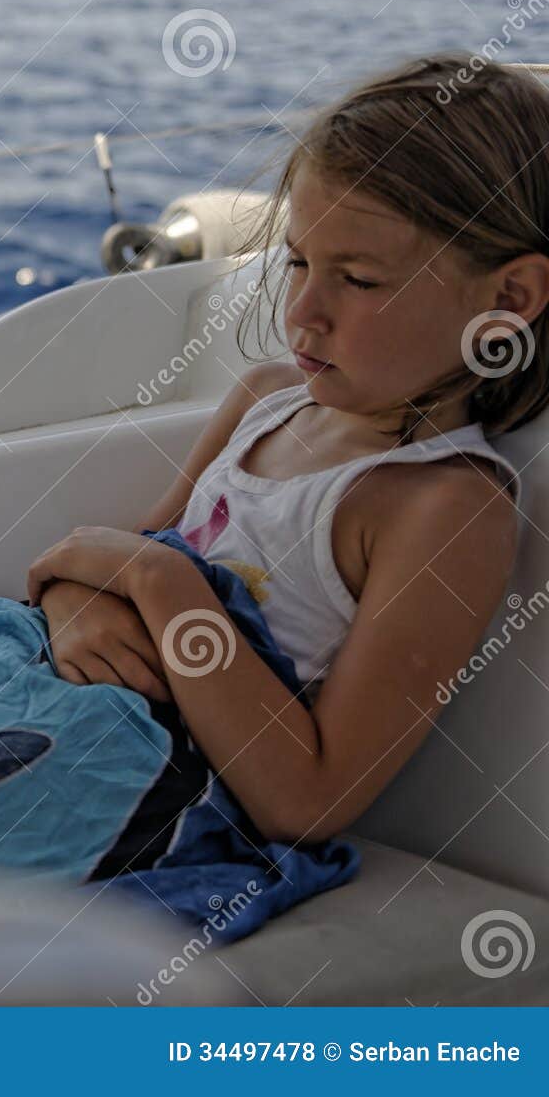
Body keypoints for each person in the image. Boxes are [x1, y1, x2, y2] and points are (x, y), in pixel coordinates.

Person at [29, 53, 549, 845]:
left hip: (157, 802)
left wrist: (161, 582)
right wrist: (71, 603)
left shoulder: (444, 505)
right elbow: (121, 565)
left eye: (360, 280)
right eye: (299, 261)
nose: (302, 311)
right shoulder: (266, 401)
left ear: (507, 299)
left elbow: (308, 802)